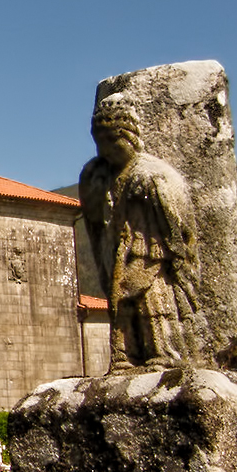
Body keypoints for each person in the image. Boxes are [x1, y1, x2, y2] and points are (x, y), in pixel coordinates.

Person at [80, 93, 206, 370]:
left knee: (153, 300)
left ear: (129, 137)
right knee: (121, 299)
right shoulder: (98, 173)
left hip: (150, 248)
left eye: (111, 140)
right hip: (120, 249)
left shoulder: (151, 173)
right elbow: (95, 220)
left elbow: (176, 217)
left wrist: (179, 256)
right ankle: (126, 355)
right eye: (100, 140)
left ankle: (164, 352)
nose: (105, 149)